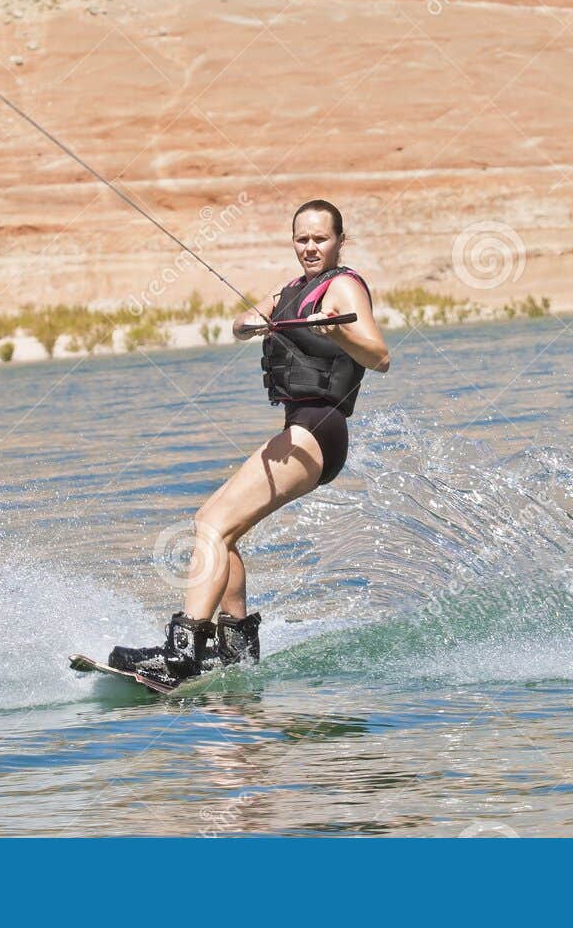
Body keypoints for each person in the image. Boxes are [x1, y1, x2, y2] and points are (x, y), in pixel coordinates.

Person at [108, 200, 391, 685]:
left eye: (320, 238)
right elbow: (242, 323)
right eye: (302, 238)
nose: (310, 247)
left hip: (320, 428)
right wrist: (251, 324)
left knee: (213, 526)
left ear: (340, 241)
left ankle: (183, 651)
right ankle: (234, 645)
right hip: (300, 429)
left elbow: (380, 355)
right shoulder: (289, 290)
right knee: (216, 527)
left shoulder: (342, 285)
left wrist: (338, 334)